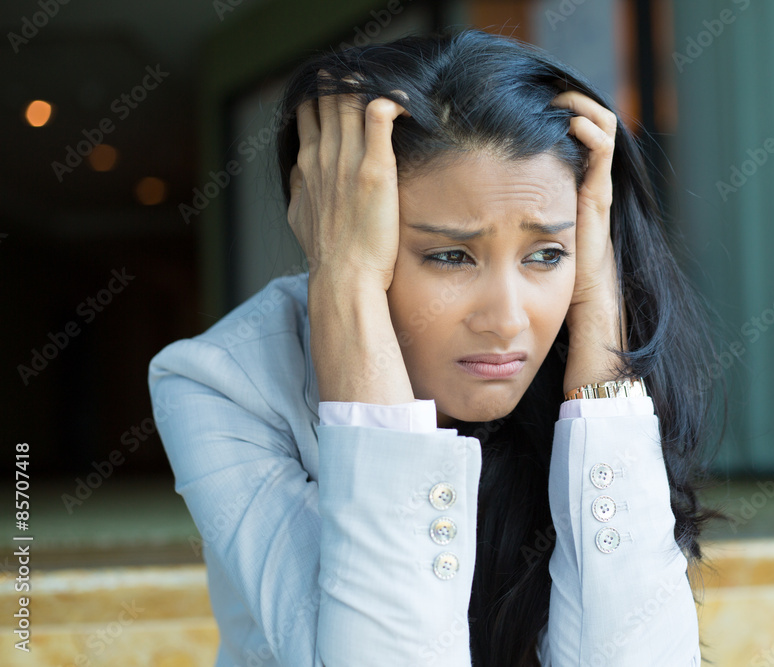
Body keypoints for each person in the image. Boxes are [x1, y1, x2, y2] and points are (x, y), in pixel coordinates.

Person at [148, 27, 721, 667]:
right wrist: (346, 289)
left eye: (546, 254)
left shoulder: (584, 342)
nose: (507, 321)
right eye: (450, 255)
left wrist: (600, 340)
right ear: (345, 229)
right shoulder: (220, 384)